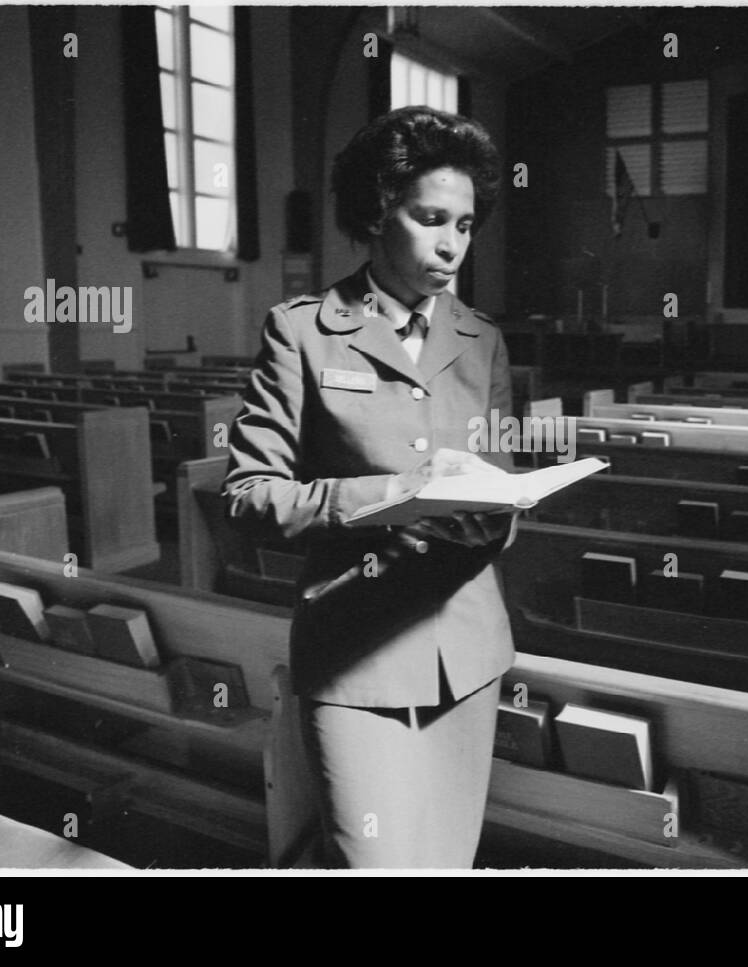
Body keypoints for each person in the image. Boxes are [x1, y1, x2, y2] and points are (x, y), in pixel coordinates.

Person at [223, 106, 517, 868]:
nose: (453, 242)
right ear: (378, 208)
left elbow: (502, 493)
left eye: (466, 222)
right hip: (354, 651)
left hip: (466, 651)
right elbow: (250, 494)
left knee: (446, 864)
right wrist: (387, 497)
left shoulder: (484, 341)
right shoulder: (302, 332)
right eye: (429, 218)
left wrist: (497, 510)